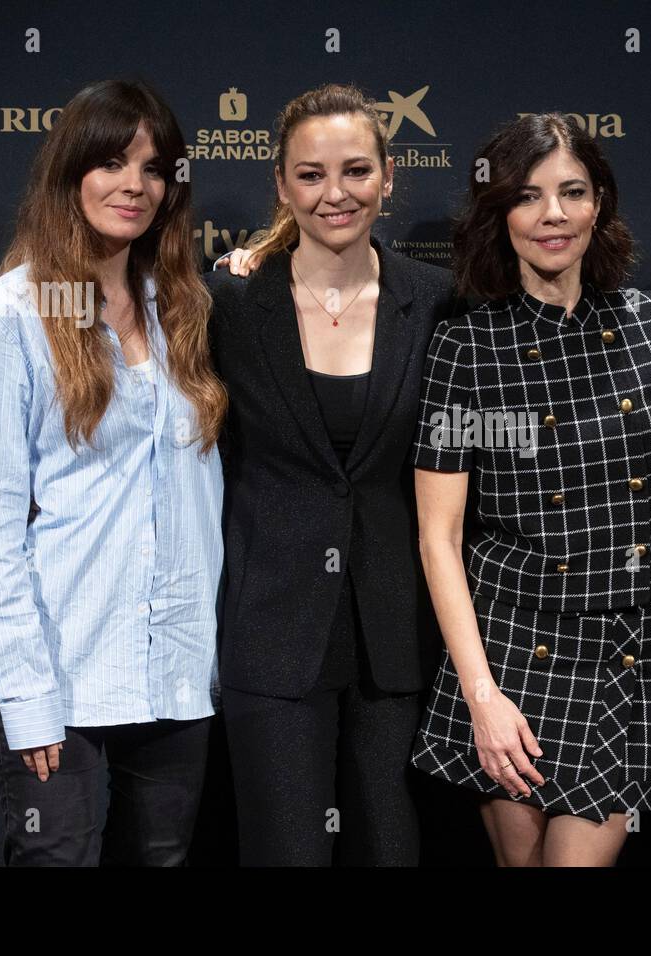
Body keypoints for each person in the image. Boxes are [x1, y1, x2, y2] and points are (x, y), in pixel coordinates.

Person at [0, 79, 226, 866]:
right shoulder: (8, 319)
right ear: (68, 174)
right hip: (59, 675)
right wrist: (28, 699)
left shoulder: (183, 308)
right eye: (110, 162)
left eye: (153, 167)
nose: (134, 185)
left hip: (174, 675)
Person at [410, 113, 651, 866]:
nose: (553, 215)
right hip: (509, 648)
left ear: (599, 203)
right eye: (529, 198)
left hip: (624, 647)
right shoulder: (464, 345)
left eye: (572, 192)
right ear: (500, 214)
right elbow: (439, 538)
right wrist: (482, 697)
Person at [207, 84, 459, 865]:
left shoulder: (438, 301)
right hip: (272, 632)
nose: (335, 193)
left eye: (355, 171)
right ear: (281, 187)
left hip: (400, 641)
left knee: (394, 849)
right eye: (310, 176)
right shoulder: (230, 300)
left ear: (388, 177)